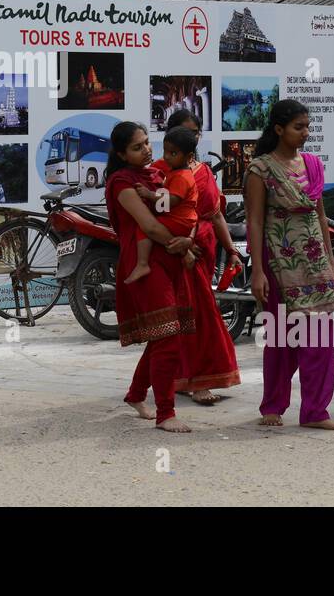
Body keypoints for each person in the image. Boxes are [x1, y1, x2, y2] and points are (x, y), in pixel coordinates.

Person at [245, 99, 334, 430]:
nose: (305, 133)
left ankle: (316, 411)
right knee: (280, 338)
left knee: (319, 340)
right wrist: (257, 271)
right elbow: (255, 222)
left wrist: (330, 261)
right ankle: (273, 405)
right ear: (279, 129)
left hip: (314, 262)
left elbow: (319, 217)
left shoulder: (313, 165)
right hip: (279, 262)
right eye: (298, 127)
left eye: (307, 127)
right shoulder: (260, 169)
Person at [104, 121, 198, 432]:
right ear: (120, 153)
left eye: (146, 143)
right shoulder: (122, 183)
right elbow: (150, 226)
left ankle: (135, 395)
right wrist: (182, 246)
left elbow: (186, 211)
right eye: (136, 147)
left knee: (165, 334)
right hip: (145, 261)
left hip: (169, 256)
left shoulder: (157, 175)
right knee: (167, 337)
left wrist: (189, 239)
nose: (146, 150)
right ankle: (166, 414)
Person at [161, 109, 242, 405]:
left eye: (195, 132)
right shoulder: (162, 171)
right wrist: (181, 243)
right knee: (192, 315)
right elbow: (159, 213)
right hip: (178, 250)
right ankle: (196, 381)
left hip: (204, 249)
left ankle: (185, 378)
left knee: (196, 313)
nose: (192, 137)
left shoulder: (205, 171)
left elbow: (216, 214)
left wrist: (231, 250)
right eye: (185, 131)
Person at [125, 127, 200, 284]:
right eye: (165, 151)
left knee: (145, 228)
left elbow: (172, 201)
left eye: (173, 153)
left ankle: (142, 264)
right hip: (183, 221)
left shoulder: (181, 177)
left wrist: (149, 195)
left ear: (189, 157)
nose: (166, 157)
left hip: (180, 221)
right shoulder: (174, 171)